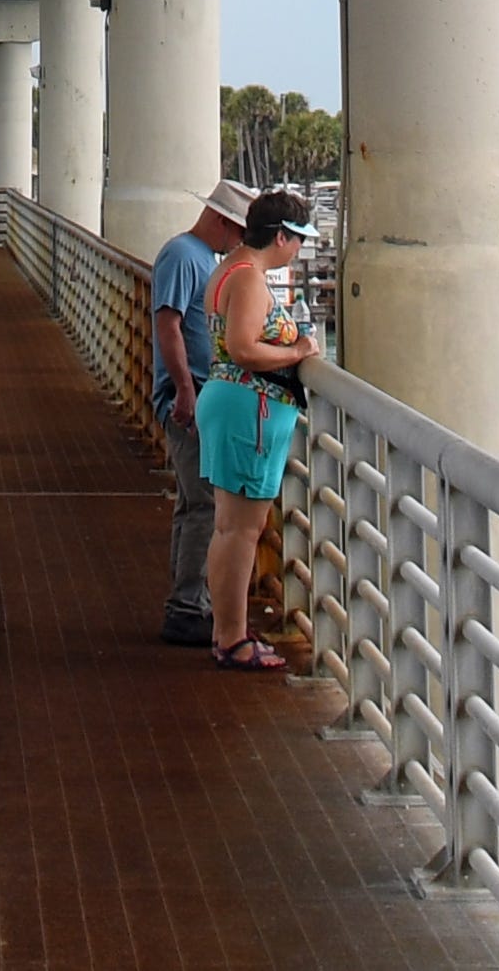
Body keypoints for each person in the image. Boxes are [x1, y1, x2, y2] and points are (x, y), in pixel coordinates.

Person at [197, 186, 315, 672]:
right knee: (240, 532)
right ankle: (230, 638)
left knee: (231, 528)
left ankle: (226, 633)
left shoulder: (231, 269)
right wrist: (297, 351)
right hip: (253, 410)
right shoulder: (249, 278)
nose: (300, 249)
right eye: (299, 239)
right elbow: (244, 348)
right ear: (282, 237)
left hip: (236, 405)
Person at [144, 187, 242, 644]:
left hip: (197, 397)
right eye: (238, 232)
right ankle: (188, 607)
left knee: (192, 505)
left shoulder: (195, 256)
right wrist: (184, 390)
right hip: (192, 401)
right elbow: (169, 324)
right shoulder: (185, 256)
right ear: (222, 222)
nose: (239, 243)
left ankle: (188, 603)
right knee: (204, 505)